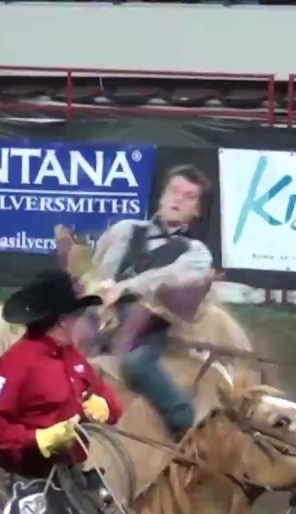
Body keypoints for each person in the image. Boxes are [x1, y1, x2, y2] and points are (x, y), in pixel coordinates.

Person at [91, 165, 216, 441]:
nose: (178, 199)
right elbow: (98, 262)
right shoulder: (124, 229)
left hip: (148, 323)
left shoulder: (195, 253)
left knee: (137, 364)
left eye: (188, 196)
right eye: (173, 191)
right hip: (99, 312)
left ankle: (183, 421)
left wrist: (123, 288)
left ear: (196, 210)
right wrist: (99, 289)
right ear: (161, 197)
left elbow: (166, 279)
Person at [0, 268, 123, 486]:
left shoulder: (73, 356)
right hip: (31, 481)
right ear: (62, 321)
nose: (79, 322)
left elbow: (110, 402)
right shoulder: (14, 364)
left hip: (73, 477)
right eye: (76, 316)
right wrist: (38, 439)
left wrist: (106, 407)